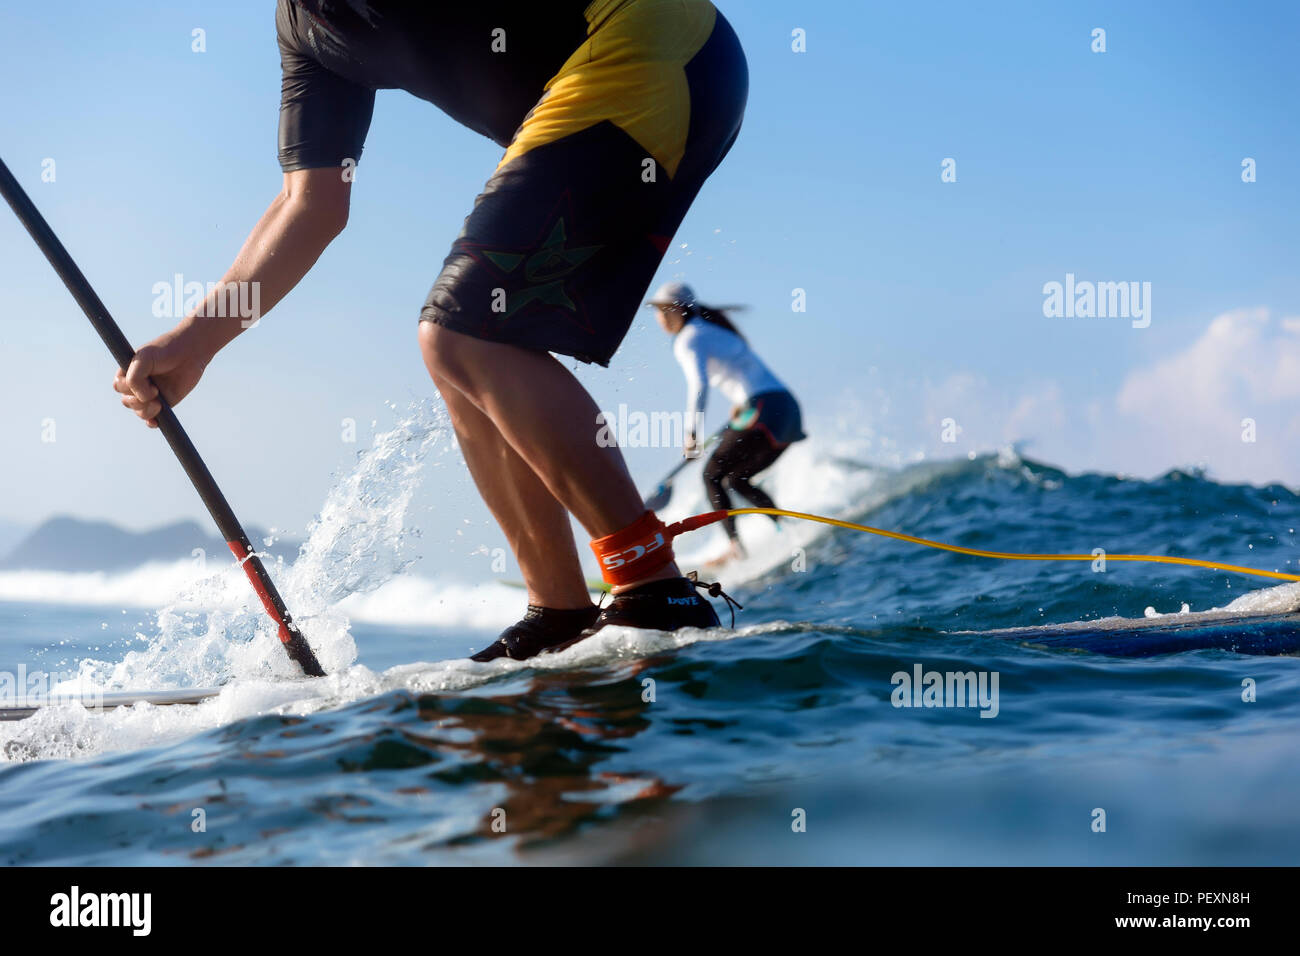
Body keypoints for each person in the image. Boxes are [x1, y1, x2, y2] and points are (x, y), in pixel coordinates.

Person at [112, 0, 748, 662]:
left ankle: (653, 587)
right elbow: (312, 202)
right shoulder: (306, 29)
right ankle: (558, 610)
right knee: (464, 350)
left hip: (658, 47)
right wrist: (194, 342)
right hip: (641, 81)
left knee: (462, 334)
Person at [649, 281, 805, 563]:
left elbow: (699, 384)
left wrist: (692, 434)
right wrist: (739, 404)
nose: (658, 318)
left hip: (765, 408)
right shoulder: (714, 330)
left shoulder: (689, 338)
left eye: (661, 310)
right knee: (735, 478)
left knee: (711, 476)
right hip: (786, 408)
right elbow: (744, 370)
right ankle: (789, 532)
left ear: (676, 311)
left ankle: (735, 548)